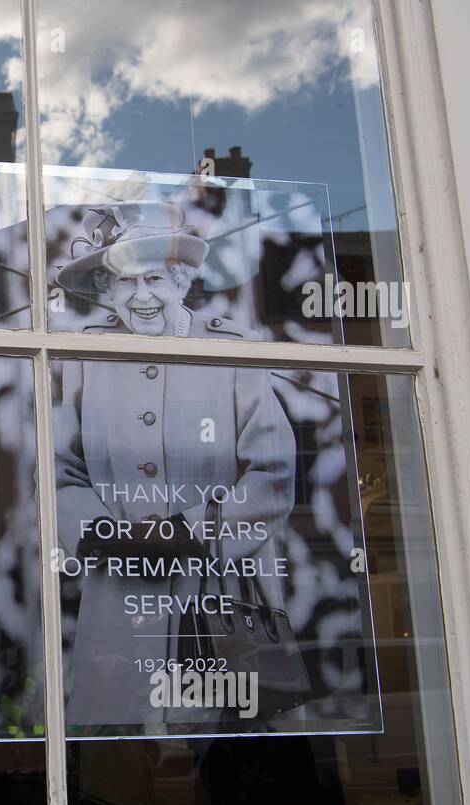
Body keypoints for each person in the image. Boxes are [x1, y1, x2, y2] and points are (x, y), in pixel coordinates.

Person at [51, 201, 298, 730]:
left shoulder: (232, 353)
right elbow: (57, 469)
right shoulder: (83, 359)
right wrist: (99, 532)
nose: (140, 297)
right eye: (124, 284)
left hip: (217, 590)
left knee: (219, 742)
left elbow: (273, 473)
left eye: (154, 280)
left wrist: (193, 532)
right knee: (124, 748)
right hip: (120, 589)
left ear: (182, 280)